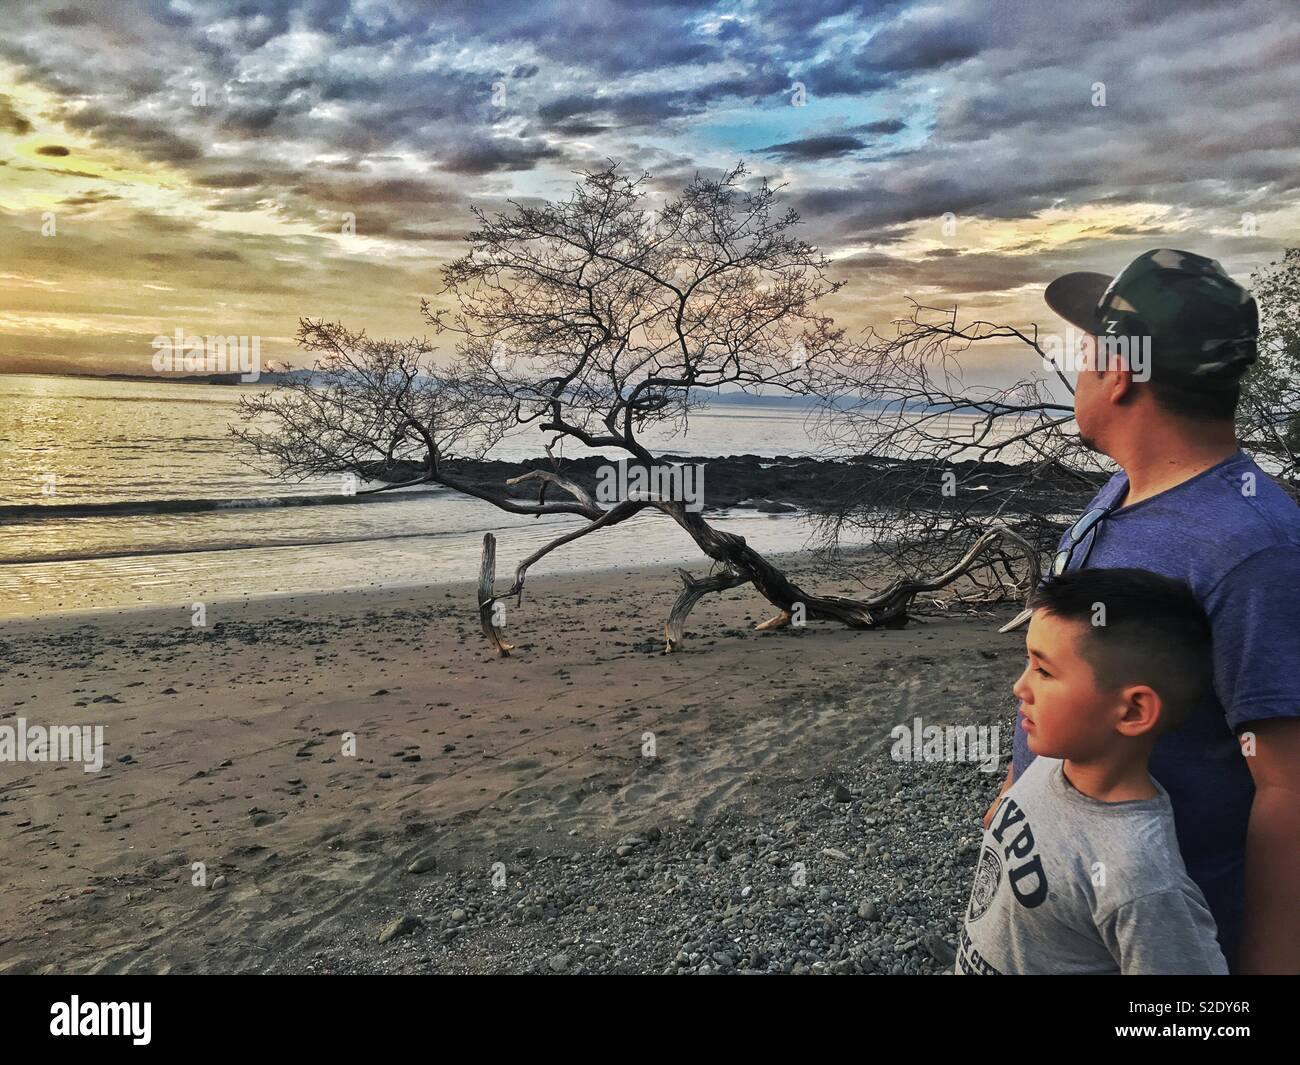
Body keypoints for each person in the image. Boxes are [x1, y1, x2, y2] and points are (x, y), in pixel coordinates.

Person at [984, 248, 1300, 974]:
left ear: (1121, 370)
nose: (1080, 368)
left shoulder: (1254, 546)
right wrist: (1016, 793)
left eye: (1089, 349)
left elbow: (1287, 786)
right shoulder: (1124, 492)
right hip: (1055, 906)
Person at [959, 569, 1228, 975]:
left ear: (1134, 710)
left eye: (1044, 671)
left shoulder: (1140, 881)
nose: (1020, 687)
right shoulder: (1051, 763)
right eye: (1027, 662)